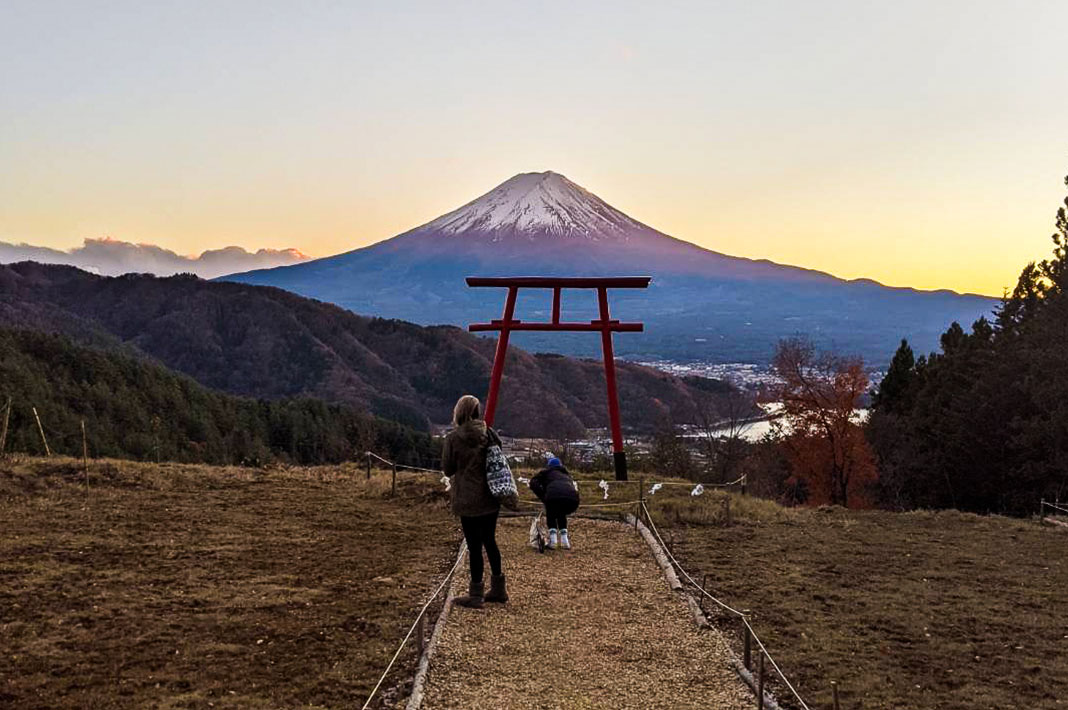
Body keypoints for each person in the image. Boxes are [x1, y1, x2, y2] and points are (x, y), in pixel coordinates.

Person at [442, 394, 507, 608]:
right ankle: (498, 588)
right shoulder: (489, 434)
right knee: (490, 540)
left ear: (458, 412)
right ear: (477, 412)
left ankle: (476, 593)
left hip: (467, 499)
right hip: (490, 495)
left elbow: (447, 468)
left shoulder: (453, 438)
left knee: (473, 545)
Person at [529, 456, 580, 550]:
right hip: (573, 500)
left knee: (551, 513)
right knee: (561, 513)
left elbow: (533, 482)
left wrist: (543, 495)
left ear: (549, 466)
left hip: (553, 497)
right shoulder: (566, 474)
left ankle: (553, 541)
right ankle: (565, 542)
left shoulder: (546, 473)